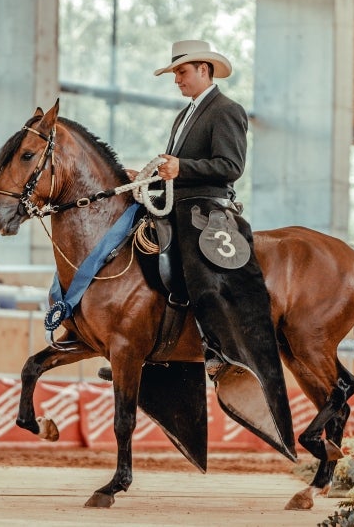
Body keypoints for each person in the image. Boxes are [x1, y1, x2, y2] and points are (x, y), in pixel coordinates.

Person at [150, 39, 293, 450]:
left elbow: (231, 167)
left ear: (205, 71)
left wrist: (182, 167)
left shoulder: (227, 110)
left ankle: (219, 350)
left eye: (181, 72)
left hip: (207, 211)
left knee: (200, 271)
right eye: (175, 73)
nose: (176, 79)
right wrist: (151, 175)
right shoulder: (183, 116)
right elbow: (177, 171)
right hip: (174, 205)